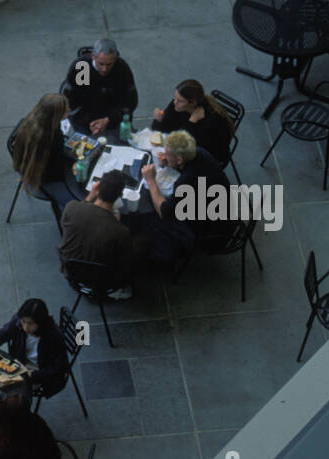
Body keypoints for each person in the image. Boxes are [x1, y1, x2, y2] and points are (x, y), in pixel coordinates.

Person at [140, 130, 233, 265]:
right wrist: (170, 161)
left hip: (210, 229)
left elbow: (164, 212)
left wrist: (151, 181)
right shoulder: (200, 152)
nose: (164, 155)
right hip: (225, 209)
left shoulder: (188, 180)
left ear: (180, 159)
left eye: (167, 154)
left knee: (150, 215)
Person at [58, 169, 137, 299]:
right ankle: (119, 291)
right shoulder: (120, 231)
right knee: (141, 244)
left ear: (98, 188)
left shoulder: (71, 207)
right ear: (120, 195)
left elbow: (67, 227)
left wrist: (89, 197)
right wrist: (114, 222)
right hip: (100, 281)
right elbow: (125, 262)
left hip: (71, 272)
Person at [0, 298, 68, 399]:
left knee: (10, 393)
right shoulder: (18, 321)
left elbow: (60, 367)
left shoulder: (54, 336)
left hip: (40, 369)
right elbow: (3, 334)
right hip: (20, 362)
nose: (25, 327)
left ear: (40, 322)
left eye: (30, 323)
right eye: (23, 322)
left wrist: (34, 375)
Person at [10, 92, 73, 217]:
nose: (69, 111)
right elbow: (56, 171)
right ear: (56, 116)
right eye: (65, 111)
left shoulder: (30, 122)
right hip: (44, 179)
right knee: (72, 203)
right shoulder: (52, 138)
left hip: (31, 170)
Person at [62, 38, 138, 137]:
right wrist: (90, 123)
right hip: (85, 119)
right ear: (93, 56)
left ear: (115, 59)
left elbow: (130, 101)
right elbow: (72, 101)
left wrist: (108, 119)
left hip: (113, 117)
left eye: (109, 64)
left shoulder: (121, 69)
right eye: (101, 64)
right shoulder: (83, 69)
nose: (104, 69)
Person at [152, 79, 233, 166]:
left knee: (198, 179)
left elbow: (187, 148)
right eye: (175, 98)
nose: (175, 102)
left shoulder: (211, 122)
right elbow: (159, 130)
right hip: (187, 154)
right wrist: (159, 121)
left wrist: (191, 122)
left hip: (209, 162)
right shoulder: (178, 106)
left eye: (180, 101)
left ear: (193, 103)